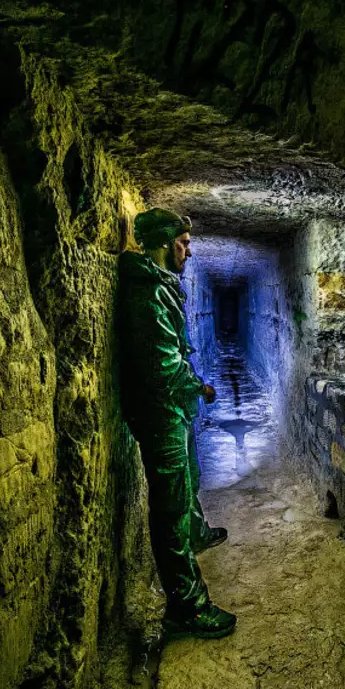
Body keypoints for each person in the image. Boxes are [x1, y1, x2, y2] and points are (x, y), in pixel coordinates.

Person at [117, 207, 235, 639]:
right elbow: (165, 367)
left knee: (188, 479)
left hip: (172, 409)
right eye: (183, 243)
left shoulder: (162, 285)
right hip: (160, 409)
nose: (188, 250)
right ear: (165, 243)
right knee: (169, 508)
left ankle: (197, 531)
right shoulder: (147, 292)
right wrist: (198, 388)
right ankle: (186, 606)